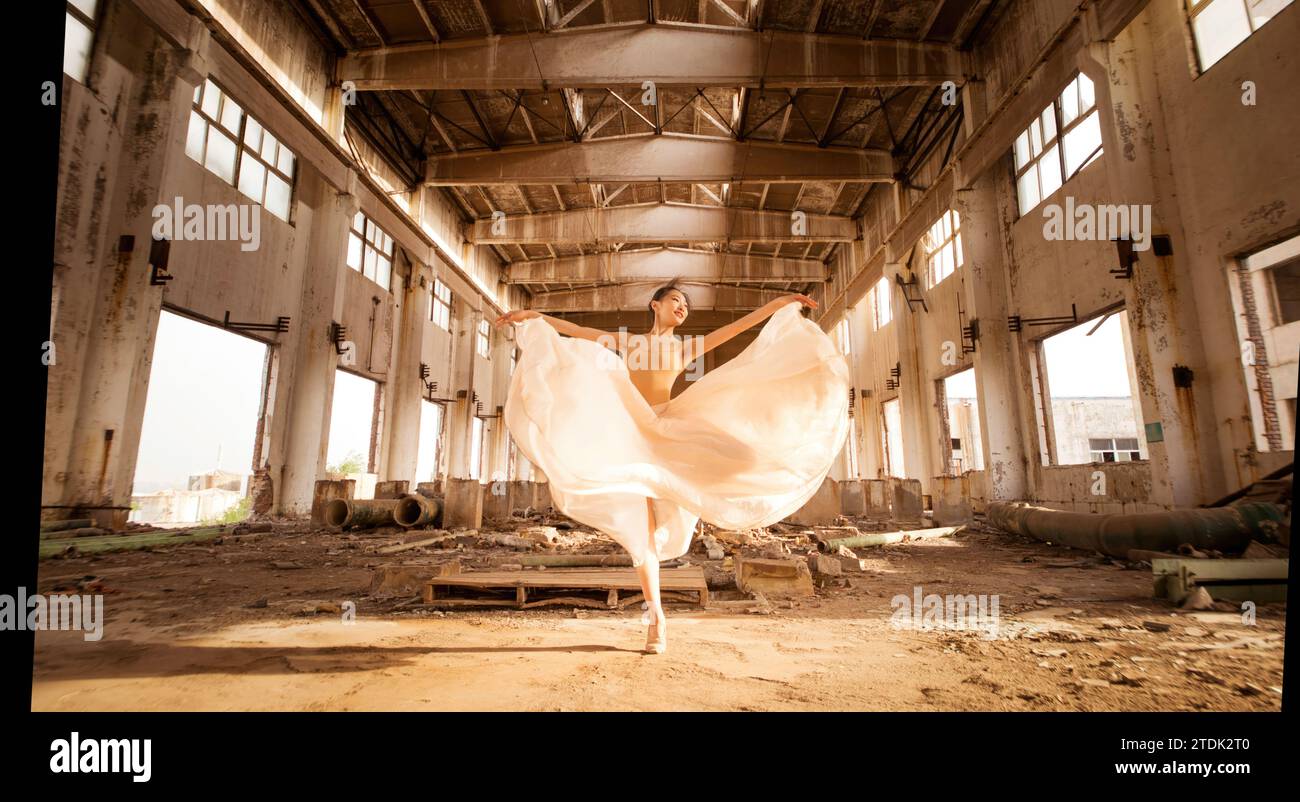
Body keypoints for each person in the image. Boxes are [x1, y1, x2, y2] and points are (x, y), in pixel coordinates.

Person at [494, 281, 849, 654]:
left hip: (668, 433)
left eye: (686, 306)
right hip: (633, 436)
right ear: (655, 305)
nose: (682, 308)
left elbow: (739, 328)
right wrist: (535, 317)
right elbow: (580, 333)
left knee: (738, 456)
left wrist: (778, 304)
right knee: (641, 532)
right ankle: (657, 620)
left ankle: (762, 476)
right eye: (675, 301)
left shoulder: (686, 347)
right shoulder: (630, 343)